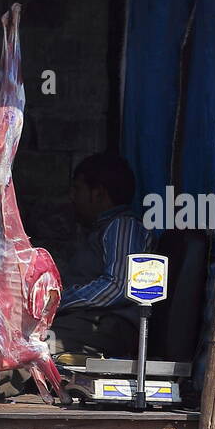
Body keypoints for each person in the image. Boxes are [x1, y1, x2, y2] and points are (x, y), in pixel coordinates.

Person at [49, 152, 153, 360]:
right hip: (87, 321)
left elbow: (118, 286)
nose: (72, 196)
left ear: (98, 194)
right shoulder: (99, 230)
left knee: (32, 348)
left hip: (109, 325)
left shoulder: (123, 226)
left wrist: (57, 302)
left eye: (77, 189)